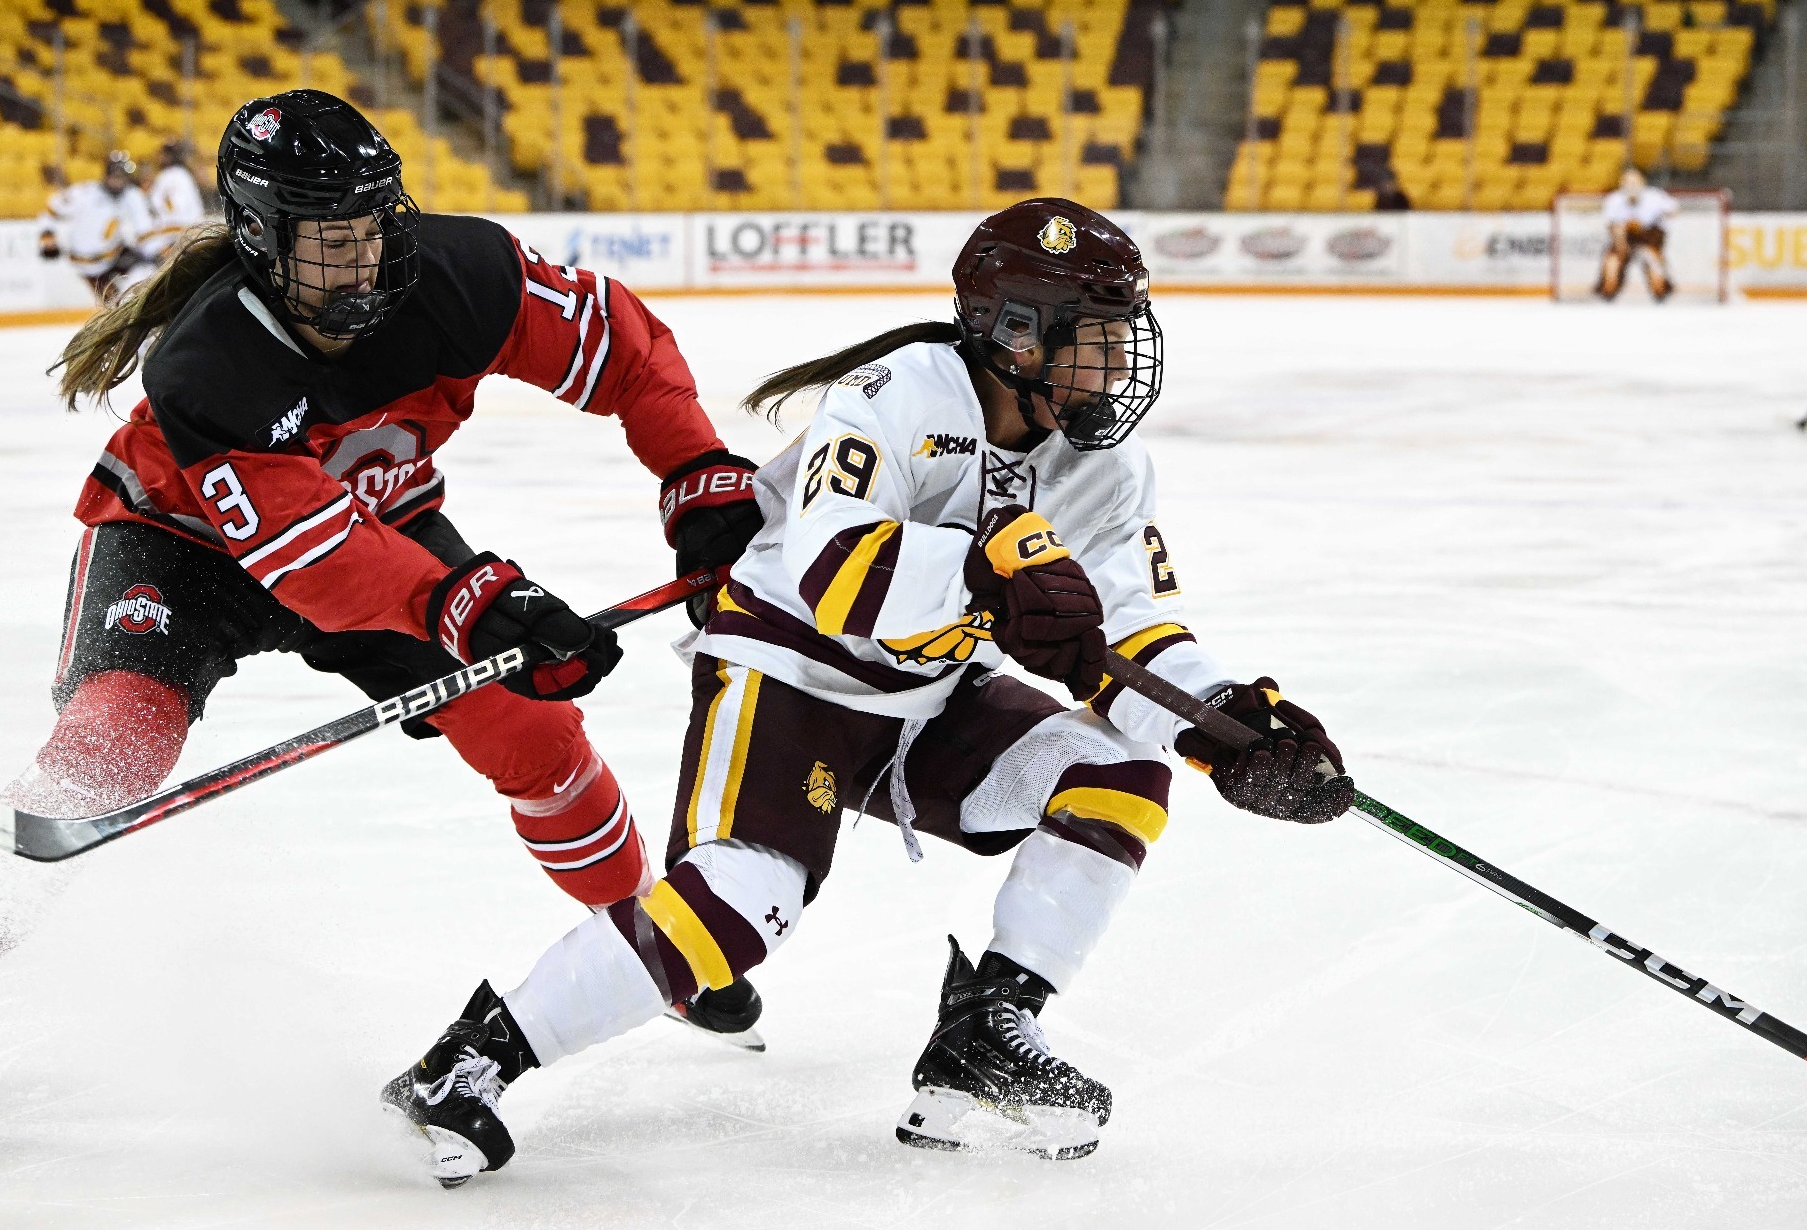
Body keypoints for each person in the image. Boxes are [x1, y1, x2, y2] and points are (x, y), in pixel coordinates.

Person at [379, 198, 1355, 1185]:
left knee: (1120, 766)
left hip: (927, 697)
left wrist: (1224, 721)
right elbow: (830, 568)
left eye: (1117, 343)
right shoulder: (899, 394)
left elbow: (1134, 632)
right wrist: (982, 575)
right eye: (1088, 345)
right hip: (789, 673)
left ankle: (983, 1039)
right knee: (739, 904)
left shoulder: (1099, 466)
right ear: (1012, 331)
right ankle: (468, 1059)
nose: (1109, 372)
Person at [0, 91, 764, 992]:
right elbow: (311, 559)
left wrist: (696, 471)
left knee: (536, 734)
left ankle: (650, 945)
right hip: (180, 545)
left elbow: (622, 349)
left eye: (371, 225)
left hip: (378, 523)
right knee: (110, 747)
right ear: (261, 237)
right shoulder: (210, 363)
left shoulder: (461, 274)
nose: (364, 258)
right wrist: (466, 604)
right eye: (329, 237)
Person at [37, 151, 157, 301]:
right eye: (116, 177)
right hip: (87, 263)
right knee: (116, 305)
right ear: (107, 175)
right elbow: (50, 211)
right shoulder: (85, 193)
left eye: (122, 177)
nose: (119, 182)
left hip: (113, 253)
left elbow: (143, 228)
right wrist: (47, 237)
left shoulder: (130, 195)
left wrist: (155, 252)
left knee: (147, 270)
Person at [1596, 167, 1677, 302]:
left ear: (1642, 182)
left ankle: (1662, 292)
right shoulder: (1614, 200)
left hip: (1649, 239)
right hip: (1623, 238)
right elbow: (1613, 227)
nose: (1631, 186)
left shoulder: (1655, 197)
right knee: (1611, 265)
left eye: (1634, 182)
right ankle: (1607, 293)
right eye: (1627, 182)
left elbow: (1674, 210)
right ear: (1621, 184)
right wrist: (1622, 247)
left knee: (1655, 270)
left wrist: (1662, 216)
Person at [137, 137, 207, 264]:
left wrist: (165, 247)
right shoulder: (182, 175)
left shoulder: (170, 176)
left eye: (167, 154)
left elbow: (172, 213)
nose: (163, 157)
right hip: (187, 236)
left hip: (177, 238)